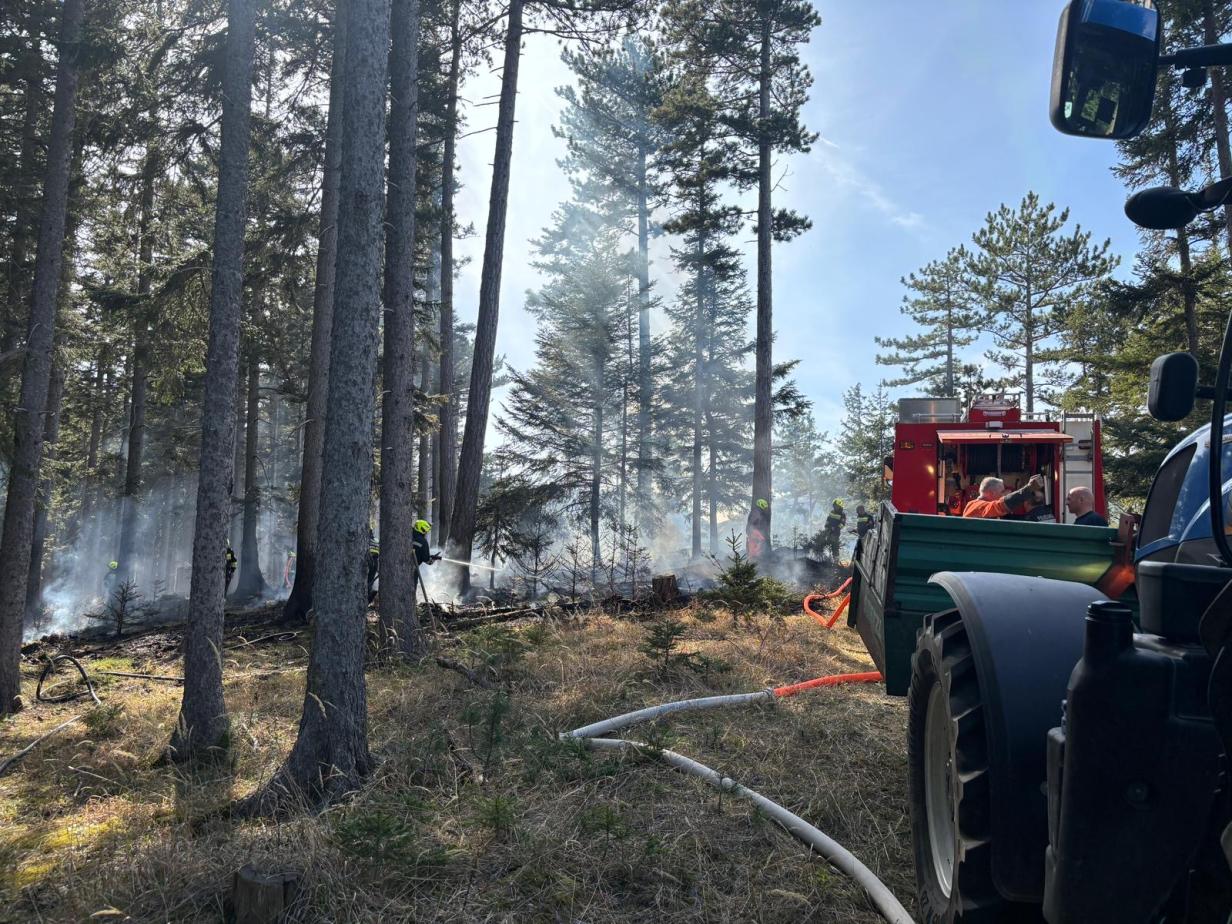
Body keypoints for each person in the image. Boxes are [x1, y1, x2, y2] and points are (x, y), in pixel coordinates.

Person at [963, 474, 1044, 519]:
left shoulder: (978, 506)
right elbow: (1000, 506)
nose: (1003, 495)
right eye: (1002, 492)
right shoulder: (976, 506)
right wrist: (1028, 489)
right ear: (991, 493)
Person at [411, 519, 440, 595]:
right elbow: (427, 560)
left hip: (399, 567)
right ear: (422, 529)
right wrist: (433, 559)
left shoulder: (407, 535)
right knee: (411, 592)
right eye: (426, 531)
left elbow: (418, 553)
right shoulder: (423, 542)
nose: (426, 533)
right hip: (413, 570)